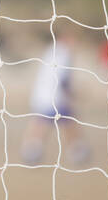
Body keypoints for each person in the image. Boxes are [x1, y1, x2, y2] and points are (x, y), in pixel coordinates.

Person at [21, 26, 88, 166]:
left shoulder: (51, 49)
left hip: (41, 94)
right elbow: (62, 78)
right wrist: (73, 93)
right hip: (54, 96)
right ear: (66, 38)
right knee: (66, 121)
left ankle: (31, 150)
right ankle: (77, 151)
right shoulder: (64, 53)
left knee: (44, 122)